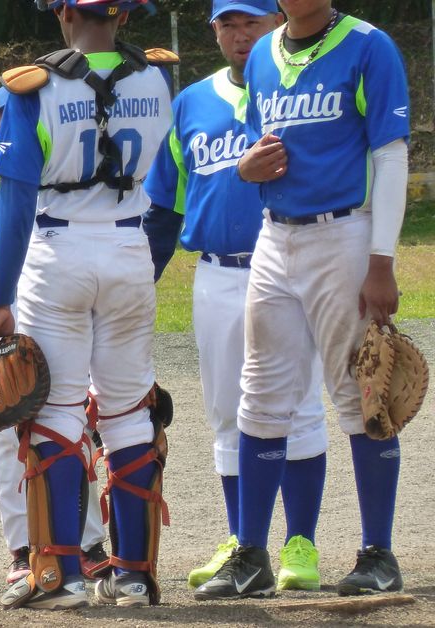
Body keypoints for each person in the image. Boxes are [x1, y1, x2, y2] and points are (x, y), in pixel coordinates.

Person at [194, 0, 411, 600]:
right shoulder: (264, 52)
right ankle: (252, 555)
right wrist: (245, 167)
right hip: (275, 234)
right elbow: (262, 151)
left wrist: (382, 260)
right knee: (259, 393)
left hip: (344, 233)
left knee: (361, 390)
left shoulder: (369, 46)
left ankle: (378, 554)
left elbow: (390, 154)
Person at [0, 0, 175, 610]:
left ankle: (59, 576)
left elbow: (13, 207)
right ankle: (134, 575)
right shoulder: (158, 76)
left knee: (54, 411)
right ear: (123, 16)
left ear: (65, 14)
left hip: (57, 251)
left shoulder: (31, 85)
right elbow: (169, 190)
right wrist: (148, 265)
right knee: (128, 412)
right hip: (129, 246)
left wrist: (1, 300)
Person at [142, 0, 329, 593]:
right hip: (217, 274)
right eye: (228, 23)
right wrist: (138, 286)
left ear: (276, 24)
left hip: (294, 263)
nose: (240, 33)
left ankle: (301, 542)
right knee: (228, 410)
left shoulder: (300, 92)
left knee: (298, 407)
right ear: (215, 31)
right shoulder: (191, 102)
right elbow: (165, 209)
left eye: (252, 21)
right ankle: (243, 541)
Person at [0, 86, 111, 586]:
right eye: (6, 121)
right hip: (1, 314)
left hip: (60, 306)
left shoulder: (70, 183)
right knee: (7, 429)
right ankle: (23, 550)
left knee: (74, 425)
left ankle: (87, 544)